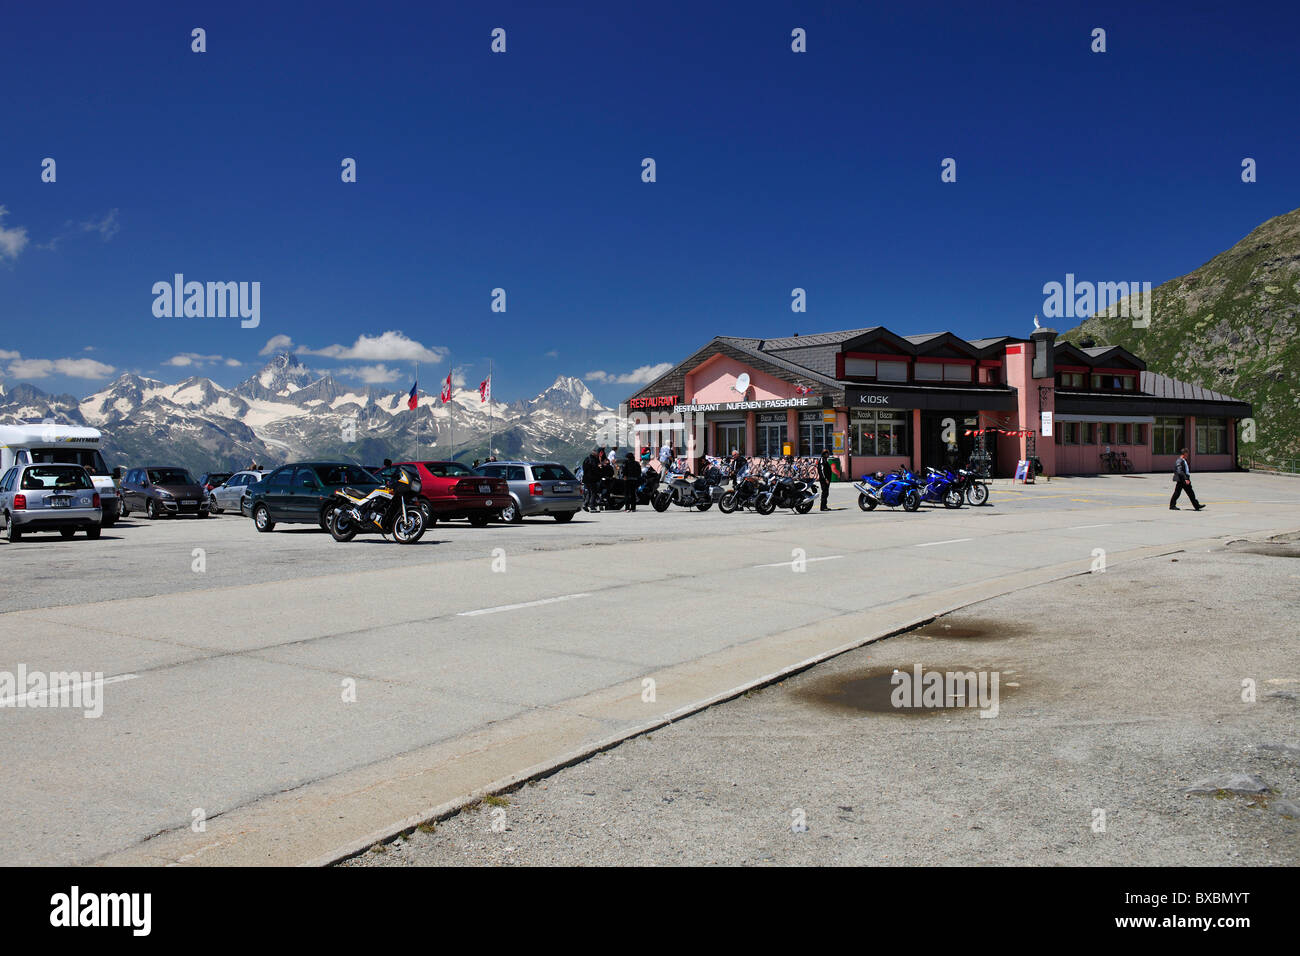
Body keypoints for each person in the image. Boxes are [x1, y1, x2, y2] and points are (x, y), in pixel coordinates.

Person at [581, 447, 601, 512]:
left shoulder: (586, 459)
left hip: (586, 478)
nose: (598, 454)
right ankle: (592, 506)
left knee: (589, 492)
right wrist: (599, 469)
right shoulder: (594, 460)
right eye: (597, 453)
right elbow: (595, 469)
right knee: (594, 492)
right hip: (592, 478)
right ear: (594, 453)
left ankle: (585, 504)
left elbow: (584, 467)